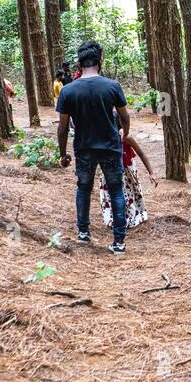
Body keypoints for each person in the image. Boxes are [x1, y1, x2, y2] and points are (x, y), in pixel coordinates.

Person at [56, 40, 132, 253]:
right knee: (116, 189)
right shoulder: (112, 86)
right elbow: (125, 117)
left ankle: (83, 233)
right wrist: (124, 135)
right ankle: (119, 242)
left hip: (84, 147)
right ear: (100, 61)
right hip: (110, 146)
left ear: (79, 64)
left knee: (83, 188)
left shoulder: (68, 91)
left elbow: (62, 128)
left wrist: (63, 154)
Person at [102, 133, 156, 231]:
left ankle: (132, 217)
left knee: (130, 196)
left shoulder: (127, 138)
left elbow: (141, 154)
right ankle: (116, 219)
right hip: (111, 172)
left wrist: (151, 173)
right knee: (113, 196)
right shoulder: (104, 137)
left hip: (128, 172)